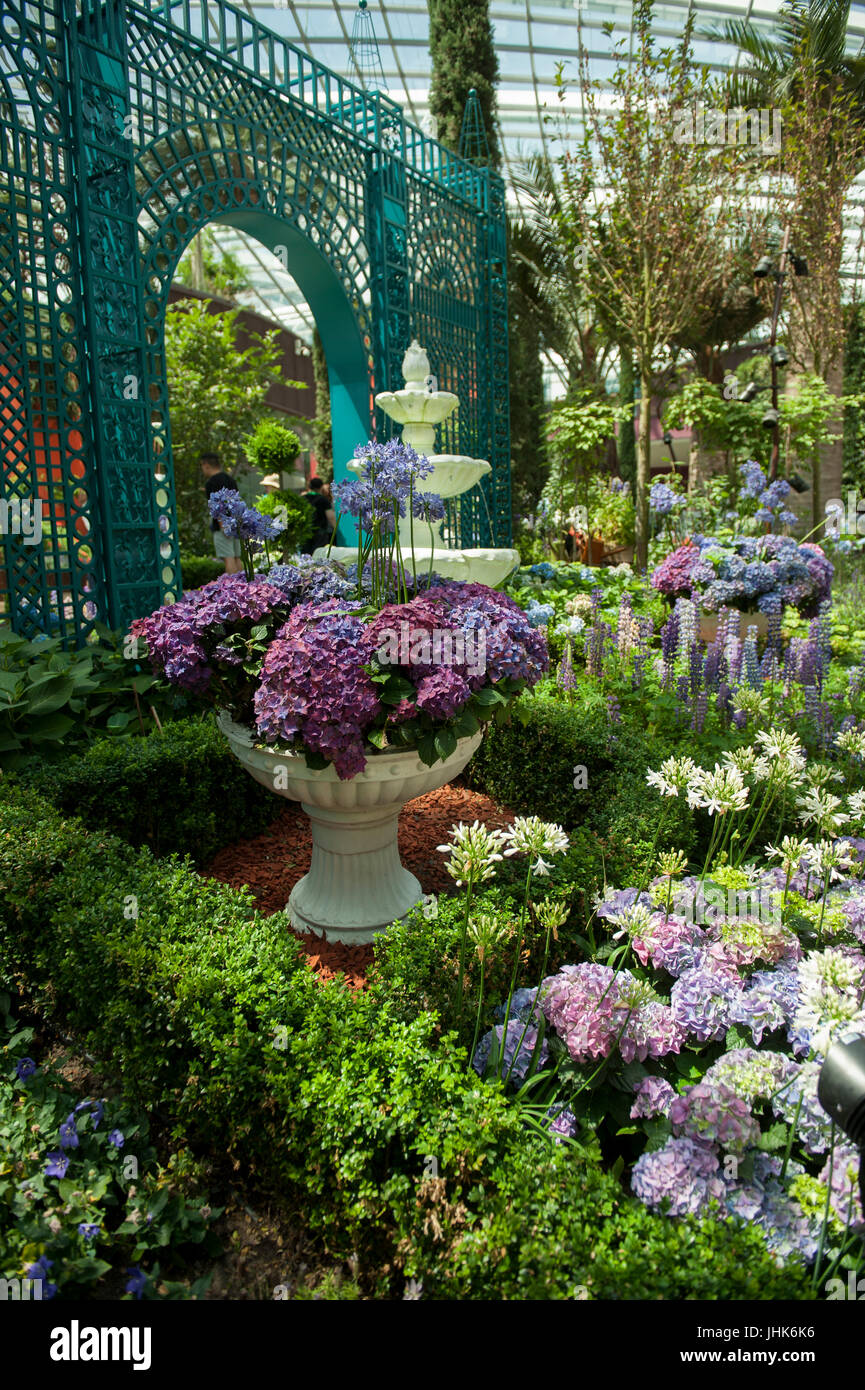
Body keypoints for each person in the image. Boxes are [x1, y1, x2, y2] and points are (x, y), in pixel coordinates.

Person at [200, 453, 243, 574]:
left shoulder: (211, 483)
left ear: (206, 465)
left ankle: (232, 589)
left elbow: (216, 507)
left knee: (228, 558)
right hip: (236, 523)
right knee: (237, 557)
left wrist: (222, 525)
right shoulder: (230, 479)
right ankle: (243, 586)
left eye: (202, 466)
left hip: (222, 525)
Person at [301, 476, 336, 554]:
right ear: (321, 487)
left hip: (305, 533)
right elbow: (330, 517)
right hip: (320, 533)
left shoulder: (302, 498)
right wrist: (336, 528)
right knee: (319, 555)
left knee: (306, 556)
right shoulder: (323, 500)